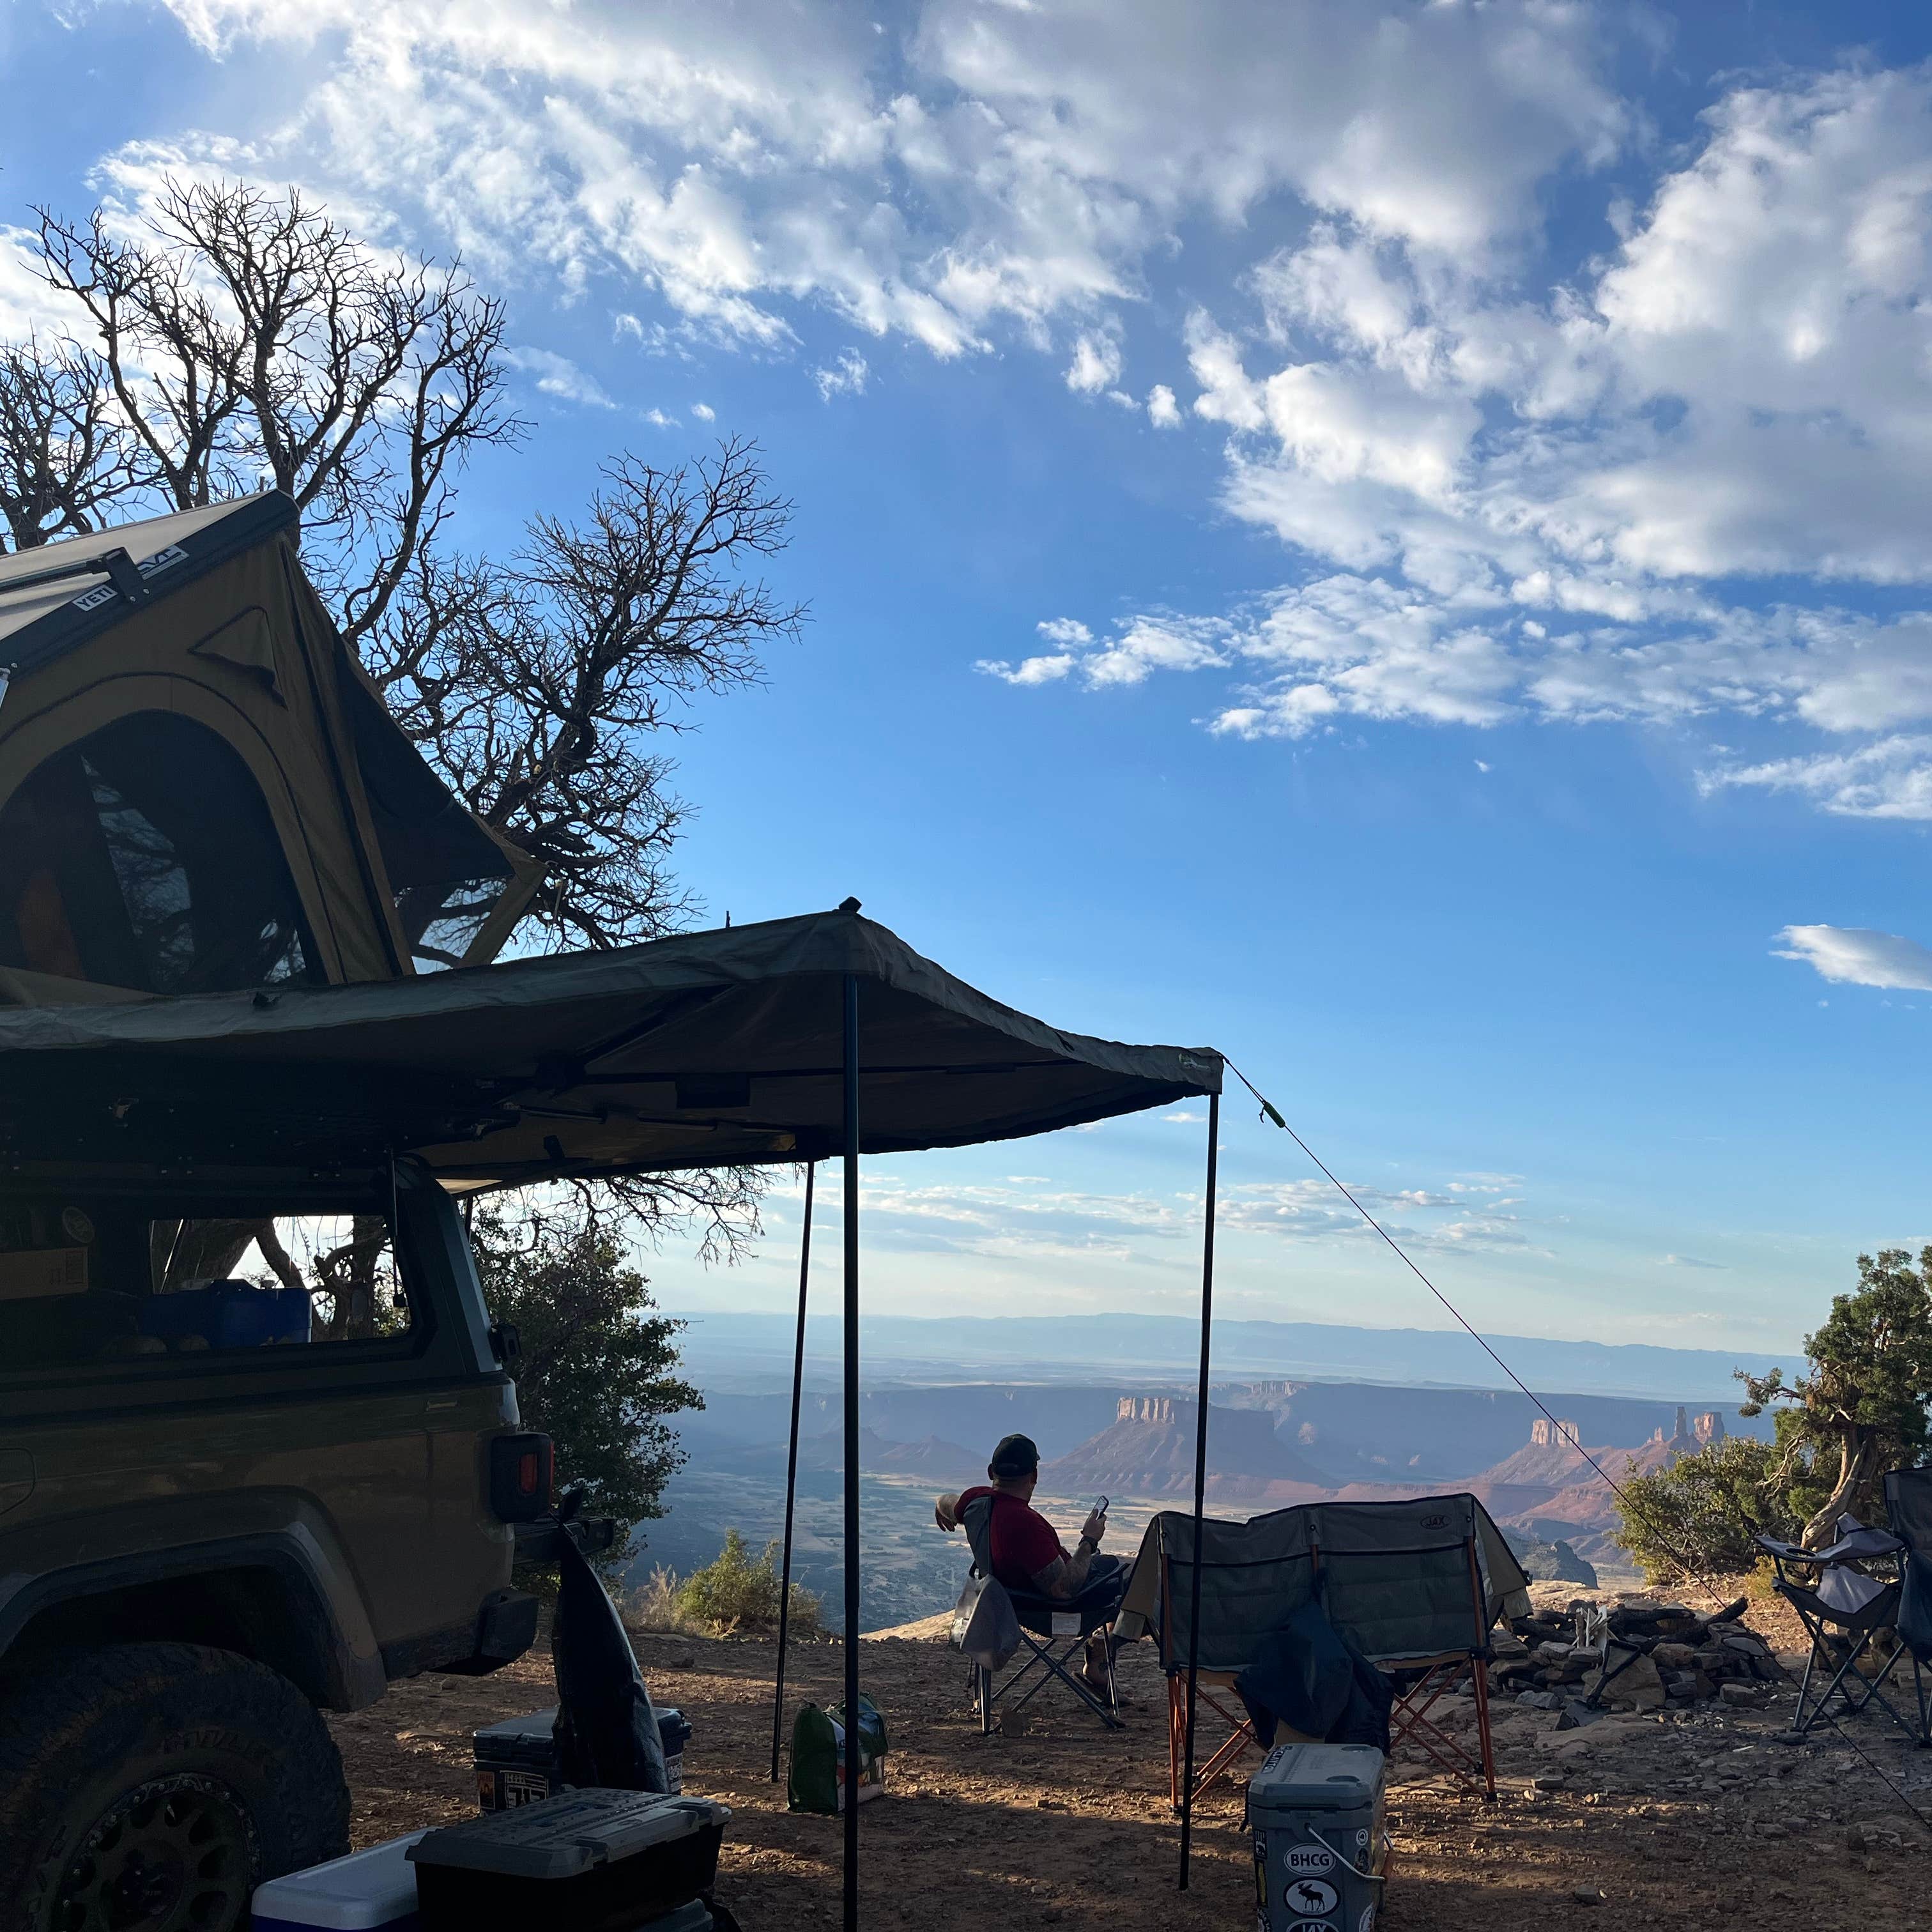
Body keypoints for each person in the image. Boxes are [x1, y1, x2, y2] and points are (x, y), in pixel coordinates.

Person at [935, 1432, 1128, 1690]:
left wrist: (940, 1505)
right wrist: (1089, 1540)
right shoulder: (1024, 1523)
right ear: (1034, 1476)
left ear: (991, 1472)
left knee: (1116, 1564)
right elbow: (1063, 1591)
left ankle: (1102, 1659)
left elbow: (948, 1503)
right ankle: (1103, 1655)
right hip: (1051, 1612)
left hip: (1009, 1599)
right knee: (1145, 1584)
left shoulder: (976, 1501)